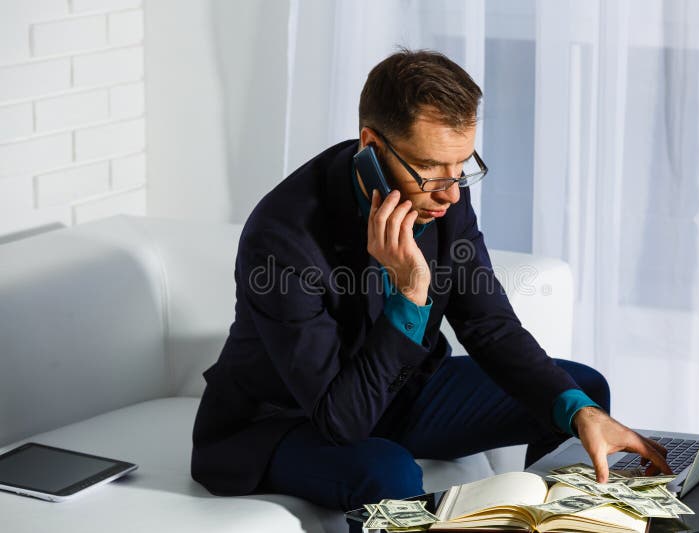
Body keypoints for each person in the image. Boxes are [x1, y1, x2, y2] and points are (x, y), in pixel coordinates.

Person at [191, 48, 671, 525]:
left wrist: (578, 412)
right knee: (388, 473)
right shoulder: (282, 237)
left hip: (401, 390)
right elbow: (343, 422)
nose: (450, 193)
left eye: (461, 166)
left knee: (580, 394)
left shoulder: (444, 195)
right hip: (289, 419)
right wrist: (411, 292)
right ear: (371, 146)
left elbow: (489, 326)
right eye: (430, 169)